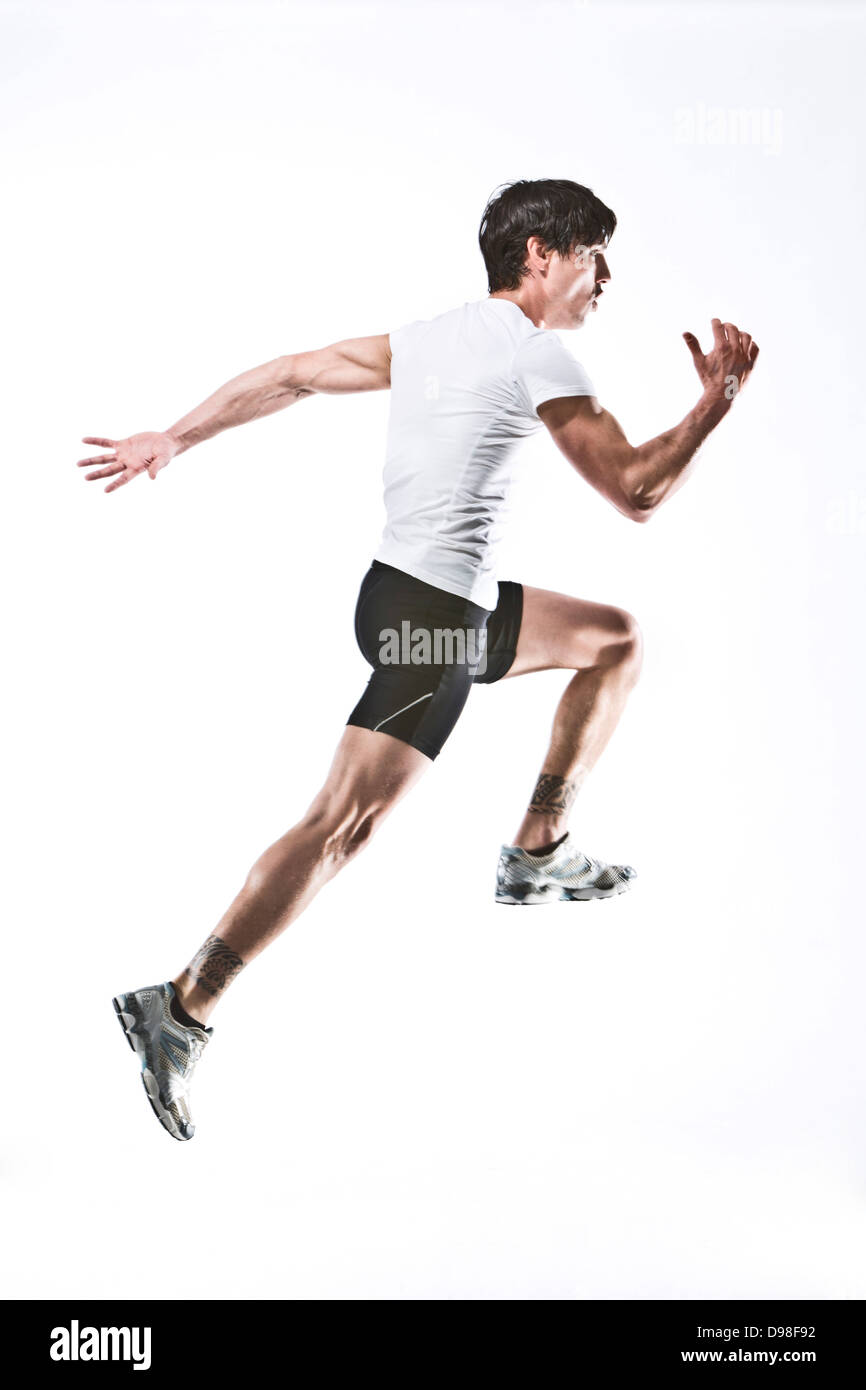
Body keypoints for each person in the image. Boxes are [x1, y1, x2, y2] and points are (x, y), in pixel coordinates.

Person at [80, 178, 759, 1140]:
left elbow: (291, 372)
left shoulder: (429, 337)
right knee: (343, 823)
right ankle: (183, 1006)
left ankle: (536, 854)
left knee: (614, 637)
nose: (605, 275)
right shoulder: (538, 353)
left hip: (411, 599)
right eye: (592, 255)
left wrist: (176, 436)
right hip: (430, 626)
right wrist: (717, 402)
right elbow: (637, 492)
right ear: (540, 256)